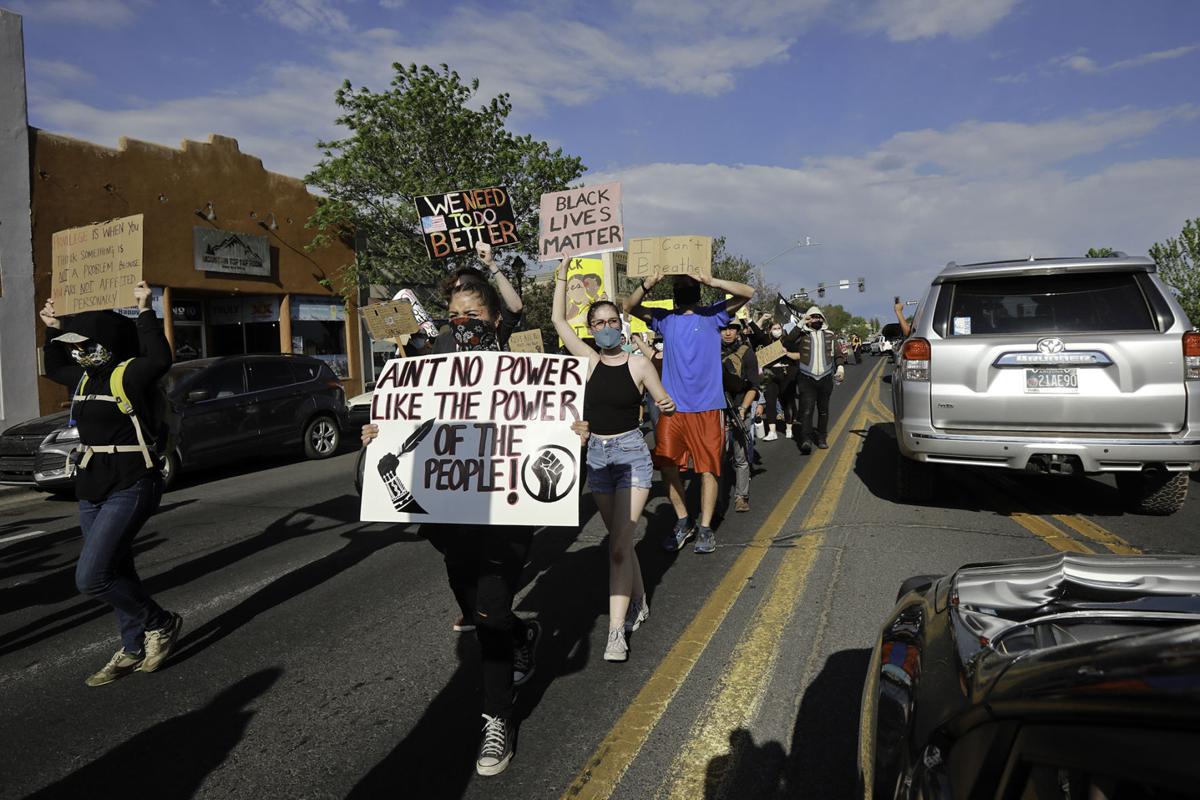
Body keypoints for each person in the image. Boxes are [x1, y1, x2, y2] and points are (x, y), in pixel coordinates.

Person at [362, 276, 586, 777]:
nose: (463, 325)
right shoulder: (428, 363)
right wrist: (378, 434)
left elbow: (553, 440)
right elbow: (406, 424)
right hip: (450, 518)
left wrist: (575, 438)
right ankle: (521, 636)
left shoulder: (524, 371)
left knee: (487, 614)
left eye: (474, 316)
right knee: (475, 605)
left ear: (495, 320)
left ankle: (496, 719)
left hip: (506, 512)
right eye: (455, 316)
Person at [39, 282, 183, 687]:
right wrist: (51, 327)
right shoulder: (84, 380)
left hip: (132, 481)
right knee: (116, 567)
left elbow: (160, 357)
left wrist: (145, 308)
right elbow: (52, 365)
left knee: (92, 577)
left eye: (85, 344)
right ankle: (133, 646)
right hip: (91, 485)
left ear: (107, 343)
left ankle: (160, 623)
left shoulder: (130, 375)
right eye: (74, 346)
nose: (78, 352)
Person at [551, 259, 675, 662]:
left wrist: (667, 405)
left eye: (611, 320)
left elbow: (663, 403)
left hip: (632, 455)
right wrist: (562, 273)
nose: (605, 327)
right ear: (591, 330)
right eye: (598, 323)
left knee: (618, 546)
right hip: (598, 460)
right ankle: (640, 599)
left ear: (620, 324)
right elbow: (557, 320)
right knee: (620, 541)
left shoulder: (639, 364)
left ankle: (615, 633)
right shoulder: (586, 362)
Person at [625, 271, 754, 554]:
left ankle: (706, 528)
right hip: (672, 409)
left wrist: (714, 282)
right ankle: (684, 521)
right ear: (674, 293)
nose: (684, 289)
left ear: (698, 290)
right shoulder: (664, 318)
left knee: (708, 468)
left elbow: (747, 293)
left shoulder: (713, 316)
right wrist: (649, 283)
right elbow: (630, 307)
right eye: (679, 285)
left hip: (708, 407)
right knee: (668, 467)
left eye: (689, 285)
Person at [786, 306, 845, 454]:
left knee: (823, 410)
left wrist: (840, 368)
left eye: (819, 317)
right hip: (806, 378)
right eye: (813, 317)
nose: (816, 319)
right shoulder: (801, 334)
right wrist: (801, 323)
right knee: (807, 410)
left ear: (823, 318)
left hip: (825, 378)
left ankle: (822, 437)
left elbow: (838, 354)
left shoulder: (830, 335)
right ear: (808, 318)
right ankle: (805, 439)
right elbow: (787, 341)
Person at [719, 320, 759, 513]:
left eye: (731, 329)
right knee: (716, 458)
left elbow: (754, 386)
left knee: (740, 456)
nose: (727, 333)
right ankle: (717, 499)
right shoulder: (709, 352)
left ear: (737, 331)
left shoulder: (747, 353)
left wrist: (743, 408)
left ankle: (741, 496)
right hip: (716, 411)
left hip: (739, 409)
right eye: (724, 329)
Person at [748, 312, 800, 442]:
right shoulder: (766, 341)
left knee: (788, 401)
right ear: (770, 330)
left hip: (786, 373)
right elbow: (756, 332)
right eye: (774, 328)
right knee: (770, 401)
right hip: (769, 374)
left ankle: (789, 428)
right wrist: (750, 320)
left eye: (778, 328)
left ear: (782, 330)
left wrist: (786, 353)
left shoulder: (788, 341)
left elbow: (798, 355)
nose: (776, 331)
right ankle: (772, 431)